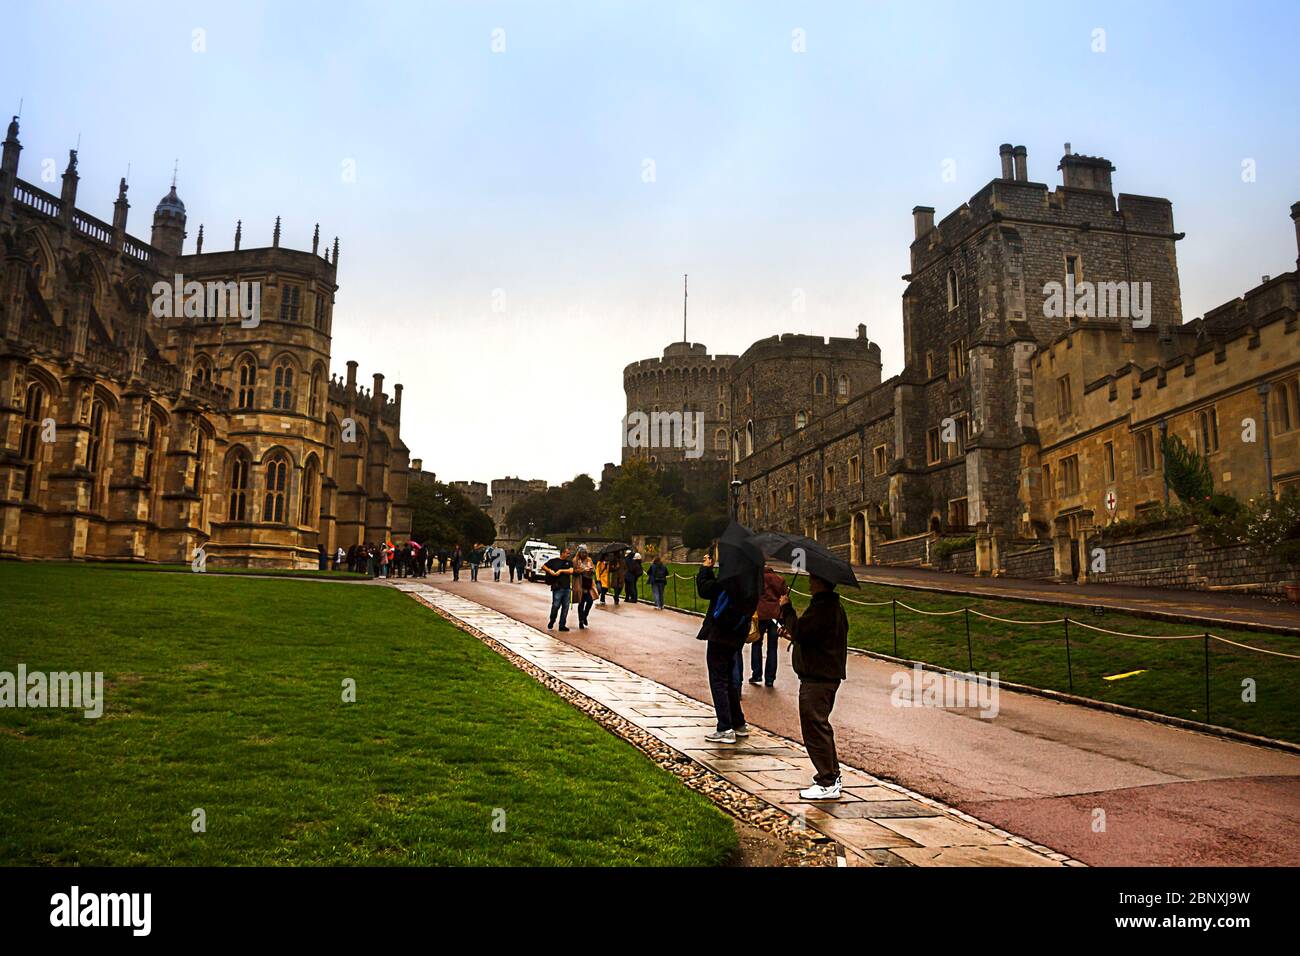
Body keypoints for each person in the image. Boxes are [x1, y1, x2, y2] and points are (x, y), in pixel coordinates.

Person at [778, 575, 849, 801]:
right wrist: (794, 633)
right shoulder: (830, 607)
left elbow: (802, 631)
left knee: (815, 728)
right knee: (819, 726)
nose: (809, 584)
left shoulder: (823, 608)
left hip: (818, 679)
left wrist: (787, 609)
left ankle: (827, 780)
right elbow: (810, 636)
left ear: (821, 583)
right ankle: (832, 776)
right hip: (823, 676)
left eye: (813, 580)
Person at [695, 550, 755, 744]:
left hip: (720, 631)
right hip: (736, 632)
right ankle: (738, 723)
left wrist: (705, 570)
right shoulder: (750, 576)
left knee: (718, 680)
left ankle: (725, 727)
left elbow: (706, 590)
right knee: (728, 679)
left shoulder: (730, 576)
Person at [750, 564, 789, 687]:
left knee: (757, 643)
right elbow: (784, 596)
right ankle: (770, 678)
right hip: (776, 616)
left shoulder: (757, 579)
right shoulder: (780, 579)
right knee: (773, 647)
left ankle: (756, 674)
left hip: (760, 614)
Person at [543, 545, 574, 631]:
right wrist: (550, 571)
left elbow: (571, 571)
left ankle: (562, 625)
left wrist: (561, 571)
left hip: (567, 588)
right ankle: (552, 620)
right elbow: (544, 566)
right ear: (562, 553)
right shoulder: (554, 561)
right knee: (556, 606)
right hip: (557, 587)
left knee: (565, 607)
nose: (568, 555)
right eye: (567, 553)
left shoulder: (569, 562)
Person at [571, 545, 597, 629]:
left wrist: (591, 570)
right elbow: (574, 571)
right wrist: (583, 570)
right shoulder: (575, 560)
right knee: (581, 602)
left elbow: (593, 569)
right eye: (583, 552)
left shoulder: (589, 560)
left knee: (590, 601)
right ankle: (580, 621)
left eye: (586, 552)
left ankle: (585, 615)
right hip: (579, 583)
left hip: (588, 583)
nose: (585, 554)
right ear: (579, 552)